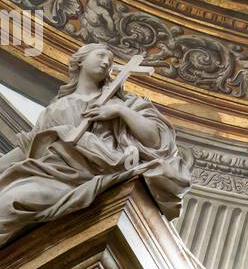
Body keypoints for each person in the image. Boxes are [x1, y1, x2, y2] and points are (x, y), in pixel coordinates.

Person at [0, 43, 188, 249]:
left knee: (9, 204)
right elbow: (27, 148)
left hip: (95, 171)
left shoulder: (125, 102)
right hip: (54, 172)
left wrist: (120, 111)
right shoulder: (57, 107)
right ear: (80, 60)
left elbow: (154, 140)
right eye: (100, 55)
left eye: (109, 61)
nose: (106, 62)